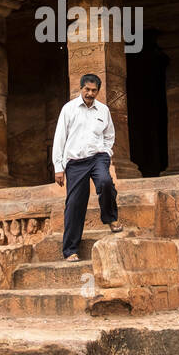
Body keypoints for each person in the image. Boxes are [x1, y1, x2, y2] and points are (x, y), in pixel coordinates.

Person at [52, 73, 123, 262]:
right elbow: (60, 138)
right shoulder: (69, 109)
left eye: (94, 90)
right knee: (75, 204)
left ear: (98, 91)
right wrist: (58, 167)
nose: (90, 94)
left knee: (106, 182)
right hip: (75, 162)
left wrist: (106, 152)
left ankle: (110, 217)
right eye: (87, 90)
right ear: (81, 88)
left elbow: (109, 134)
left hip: (98, 157)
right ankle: (70, 250)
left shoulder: (103, 110)